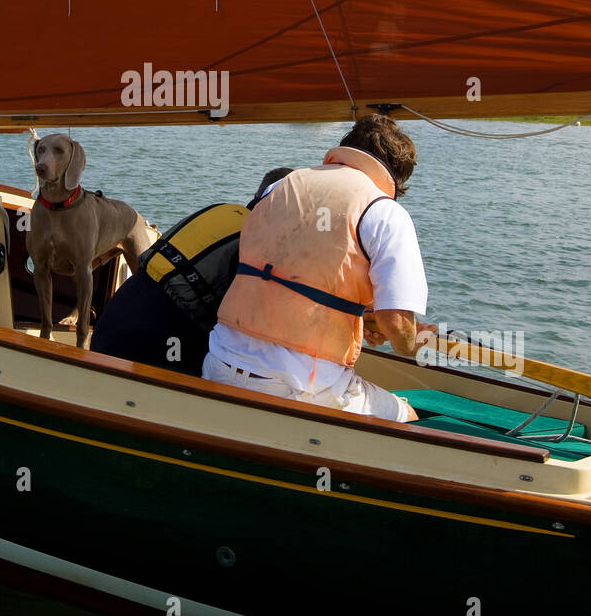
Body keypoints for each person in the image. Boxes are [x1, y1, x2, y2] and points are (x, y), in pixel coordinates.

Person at [203, 115, 435, 422]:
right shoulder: (384, 212)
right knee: (408, 417)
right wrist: (413, 343)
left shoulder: (278, 186)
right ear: (397, 180)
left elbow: (287, 276)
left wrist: (359, 317)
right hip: (295, 386)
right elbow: (397, 322)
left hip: (218, 362)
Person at [90, 168, 293, 374]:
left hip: (107, 330)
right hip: (152, 354)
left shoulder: (220, 212)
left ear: (256, 196)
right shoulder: (257, 243)